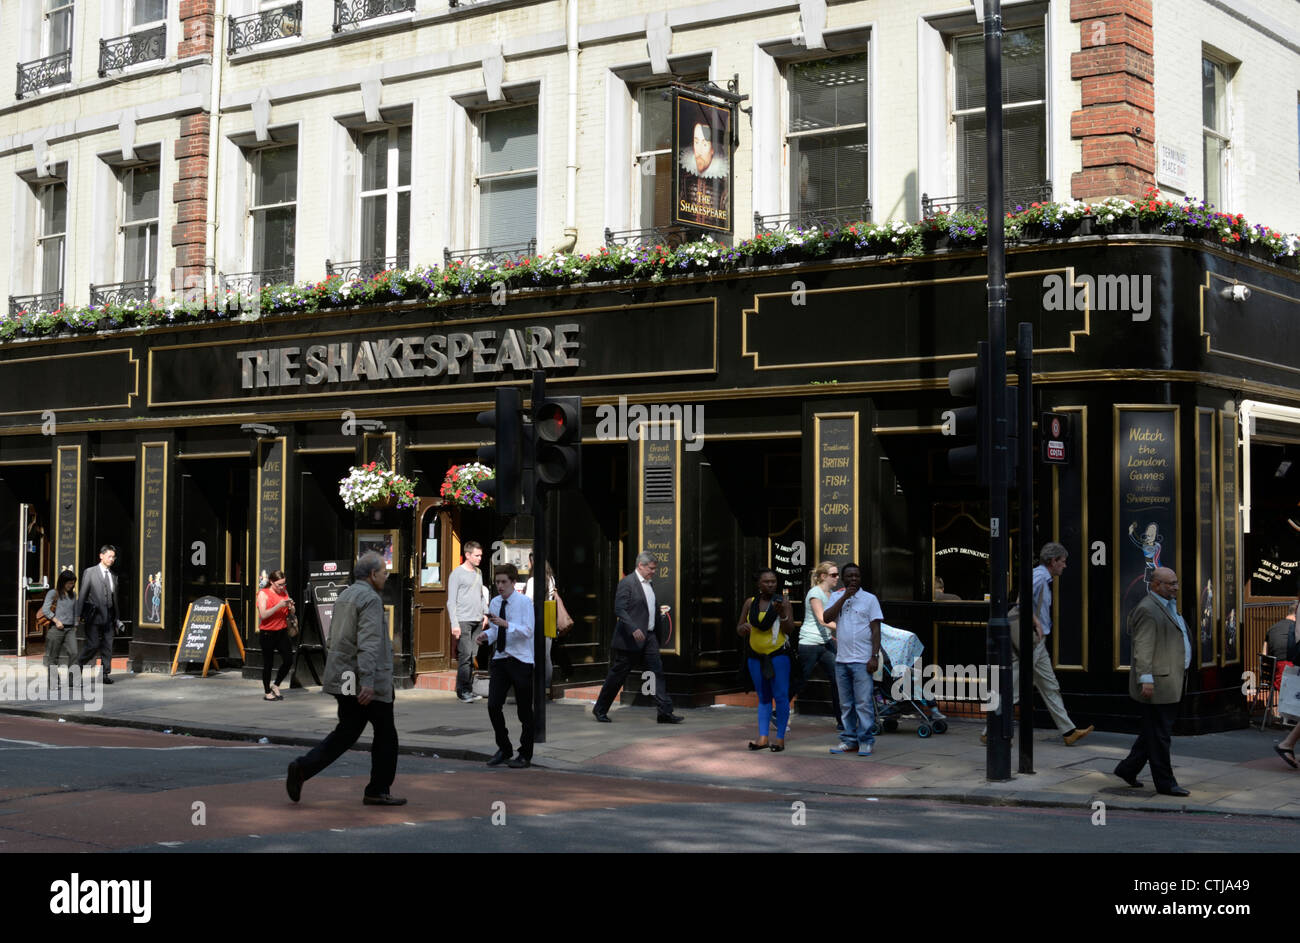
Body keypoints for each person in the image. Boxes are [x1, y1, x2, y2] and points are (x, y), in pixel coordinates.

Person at [285, 552, 404, 806]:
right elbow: (369, 644)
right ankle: (378, 789)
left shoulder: (345, 595)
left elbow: (332, 639)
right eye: (383, 572)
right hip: (367, 681)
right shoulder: (370, 599)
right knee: (386, 735)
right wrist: (369, 681)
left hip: (345, 677)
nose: (386, 576)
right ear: (372, 575)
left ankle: (303, 767)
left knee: (346, 732)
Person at [980, 543, 1093, 747]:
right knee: (1012, 690)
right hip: (1028, 641)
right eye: (1063, 562)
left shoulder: (1044, 577)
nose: (1065, 566)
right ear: (1053, 561)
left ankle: (1068, 731)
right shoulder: (1040, 576)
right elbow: (1021, 600)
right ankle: (991, 731)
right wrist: (1036, 622)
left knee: (1050, 686)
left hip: (1037, 643)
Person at [1114, 566, 1192, 796]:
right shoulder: (1148, 609)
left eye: (1176, 583)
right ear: (1155, 585)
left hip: (1171, 680)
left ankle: (1128, 769)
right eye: (1170, 584)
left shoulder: (1168, 606)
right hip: (1158, 683)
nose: (1175, 587)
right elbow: (1143, 647)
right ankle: (1165, 783)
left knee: (1153, 732)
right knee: (1160, 736)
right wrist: (1145, 679)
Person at [592, 551, 681, 724]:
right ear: (640, 565)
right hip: (629, 639)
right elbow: (619, 609)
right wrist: (633, 628)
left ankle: (664, 712)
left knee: (656, 673)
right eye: (651, 568)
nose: (653, 571)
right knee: (618, 675)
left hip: (649, 637)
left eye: (655, 568)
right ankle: (600, 709)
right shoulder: (627, 583)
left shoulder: (649, 584)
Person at [822, 563, 882, 756]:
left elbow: (875, 630)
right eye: (849, 576)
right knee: (846, 704)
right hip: (841, 660)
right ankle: (849, 740)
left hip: (863, 660)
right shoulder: (836, 597)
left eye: (856, 576)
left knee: (863, 703)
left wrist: (874, 656)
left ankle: (866, 741)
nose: (853, 579)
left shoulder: (869, 599)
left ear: (860, 578)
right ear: (843, 578)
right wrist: (845, 597)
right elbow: (826, 616)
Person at [483, 563, 536, 768]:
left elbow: (528, 631)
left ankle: (525, 754)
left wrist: (506, 624)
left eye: (504, 582)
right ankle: (504, 748)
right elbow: (495, 632)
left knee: (524, 711)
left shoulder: (524, 603)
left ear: (514, 582)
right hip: (500, 659)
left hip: (521, 660)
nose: (500, 586)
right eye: (497, 582)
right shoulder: (495, 603)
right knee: (493, 705)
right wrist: (485, 635)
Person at [737, 568, 796, 751]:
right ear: (759, 584)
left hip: (778, 656)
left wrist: (782, 614)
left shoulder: (782, 602)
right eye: (766, 581)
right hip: (755, 657)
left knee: (780, 696)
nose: (771, 584)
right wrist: (743, 627)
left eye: (773, 581)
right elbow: (739, 628)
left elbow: (789, 630)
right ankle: (763, 737)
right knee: (763, 698)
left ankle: (779, 738)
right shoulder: (750, 603)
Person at [791, 561, 843, 732]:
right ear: (823, 576)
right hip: (810, 643)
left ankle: (841, 721)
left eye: (837, 574)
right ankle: (777, 712)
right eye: (833, 575)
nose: (837, 578)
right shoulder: (815, 593)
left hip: (826, 643)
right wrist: (847, 629)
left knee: (837, 680)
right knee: (801, 680)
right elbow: (822, 619)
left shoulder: (832, 594)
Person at [447, 541, 487, 702]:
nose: (480, 558)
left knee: (473, 655)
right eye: (477, 555)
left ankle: (468, 689)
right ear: (468, 555)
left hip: (478, 620)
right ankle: (462, 690)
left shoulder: (478, 572)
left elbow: (481, 595)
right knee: (465, 656)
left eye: (481, 555)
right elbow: (451, 601)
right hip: (463, 620)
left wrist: (486, 614)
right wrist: (454, 624)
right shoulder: (457, 574)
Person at [75, 545, 122, 684]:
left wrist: (117, 618)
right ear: (101, 556)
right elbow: (82, 594)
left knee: (108, 646)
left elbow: (115, 599)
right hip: (94, 616)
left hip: (109, 616)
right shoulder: (90, 572)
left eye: (113, 557)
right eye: (109, 556)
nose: (112, 559)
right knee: (93, 645)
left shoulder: (113, 576)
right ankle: (77, 668)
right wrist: (78, 615)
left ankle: (104, 674)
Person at [524, 554, 565, 691]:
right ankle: (546, 687)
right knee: (546, 655)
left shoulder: (532, 581)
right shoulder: (551, 579)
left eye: (529, 562)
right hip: (549, 618)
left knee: (532, 653)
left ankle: (534, 684)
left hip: (534, 619)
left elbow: (527, 600)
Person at [256, 569, 296, 701]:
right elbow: (263, 615)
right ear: (271, 582)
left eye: (283, 584)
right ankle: (267, 692)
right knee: (268, 663)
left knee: (289, 660)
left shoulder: (284, 592)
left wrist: (291, 607)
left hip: (282, 631)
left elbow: (291, 613)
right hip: (267, 632)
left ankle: (276, 684)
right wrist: (279, 605)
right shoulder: (263, 594)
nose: (281, 587)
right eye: (279, 584)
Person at [41, 570, 79, 674]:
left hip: (70, 629)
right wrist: (56, 621)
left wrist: (75, 625)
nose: (71, 585)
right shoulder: (53, 593)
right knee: (53, 657)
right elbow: (45, 609)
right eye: (69, 583)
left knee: (74, 653)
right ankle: (53, 682)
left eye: (73, 583)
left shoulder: (73, 595)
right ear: (62, 582)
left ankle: (72, 681)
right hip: (56, 629)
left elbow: (76, 611)